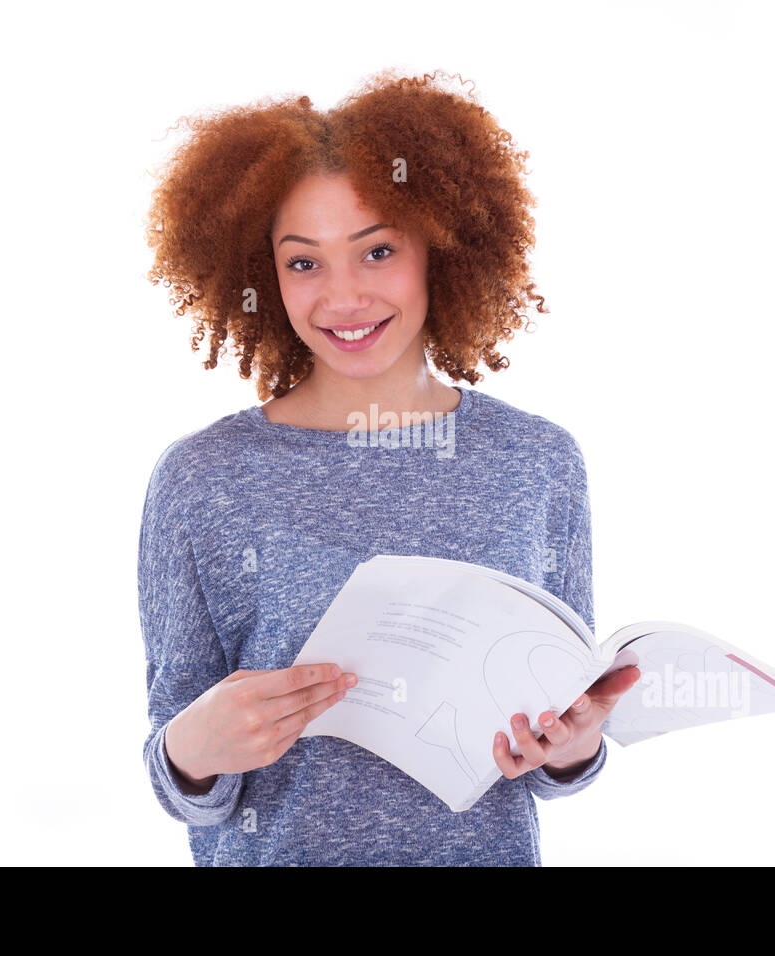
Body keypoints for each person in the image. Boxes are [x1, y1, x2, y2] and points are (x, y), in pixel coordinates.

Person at [138, 69, 640, 866]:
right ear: (263, 272)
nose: (344, 296)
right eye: (304, 263)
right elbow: (178, 774)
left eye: (377, 250)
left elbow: (557, 765)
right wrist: (192, 748)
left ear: (439, 249)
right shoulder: (205, 479)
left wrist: (573, 744)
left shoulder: (536, 462)